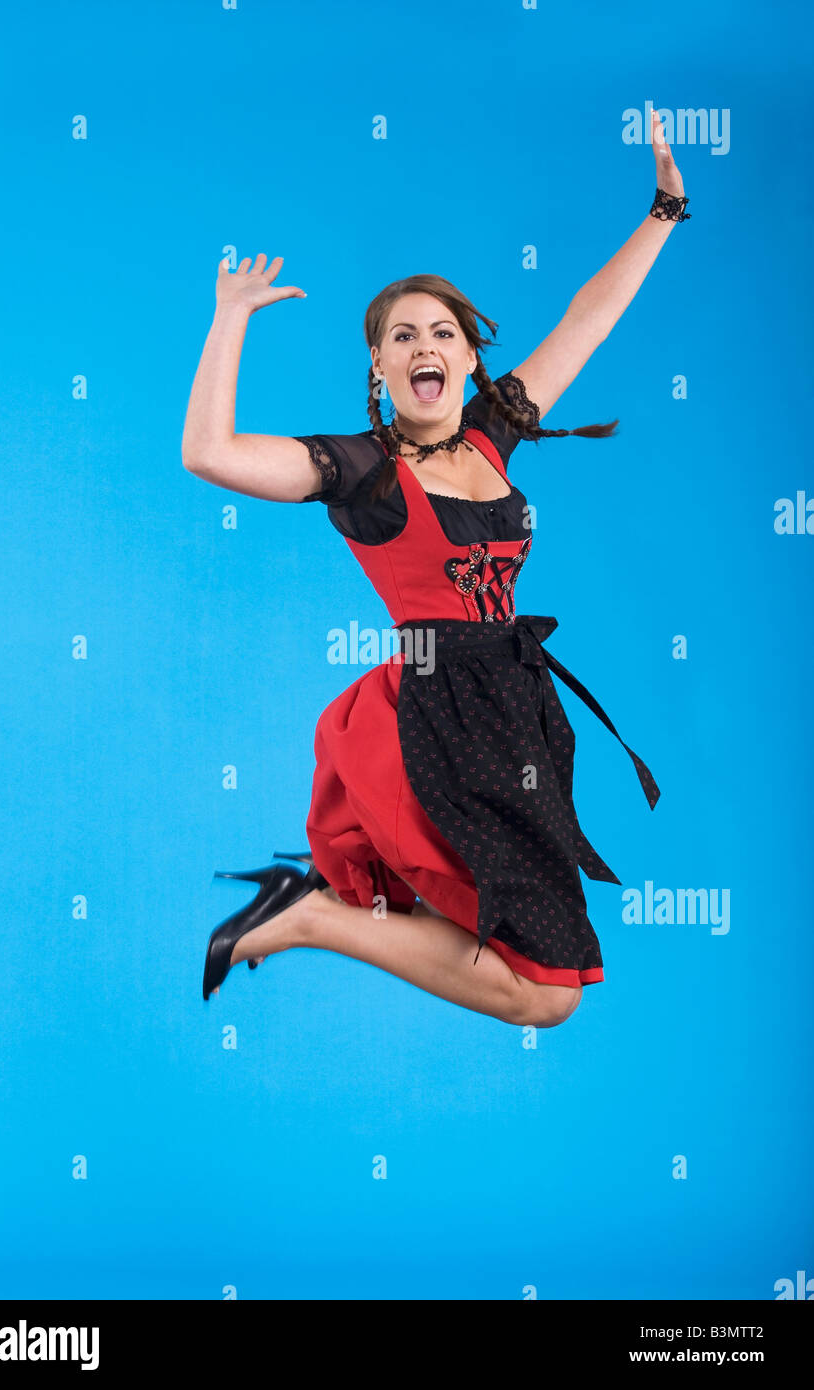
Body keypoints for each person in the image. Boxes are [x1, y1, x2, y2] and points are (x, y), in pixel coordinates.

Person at [182, 110, 689, 1028]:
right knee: (545, 994)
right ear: (380, 367)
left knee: (548, 990)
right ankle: (312, 920)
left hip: (521, 713)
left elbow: (589, 321)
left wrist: (662, 211)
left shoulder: (494, 436)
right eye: (404, 336)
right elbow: (209, 453)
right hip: (438, 721)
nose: (427, 347)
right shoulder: (365, 472)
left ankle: (307, 915)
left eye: (444, 333)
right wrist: (229, 321)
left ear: (469, 356)